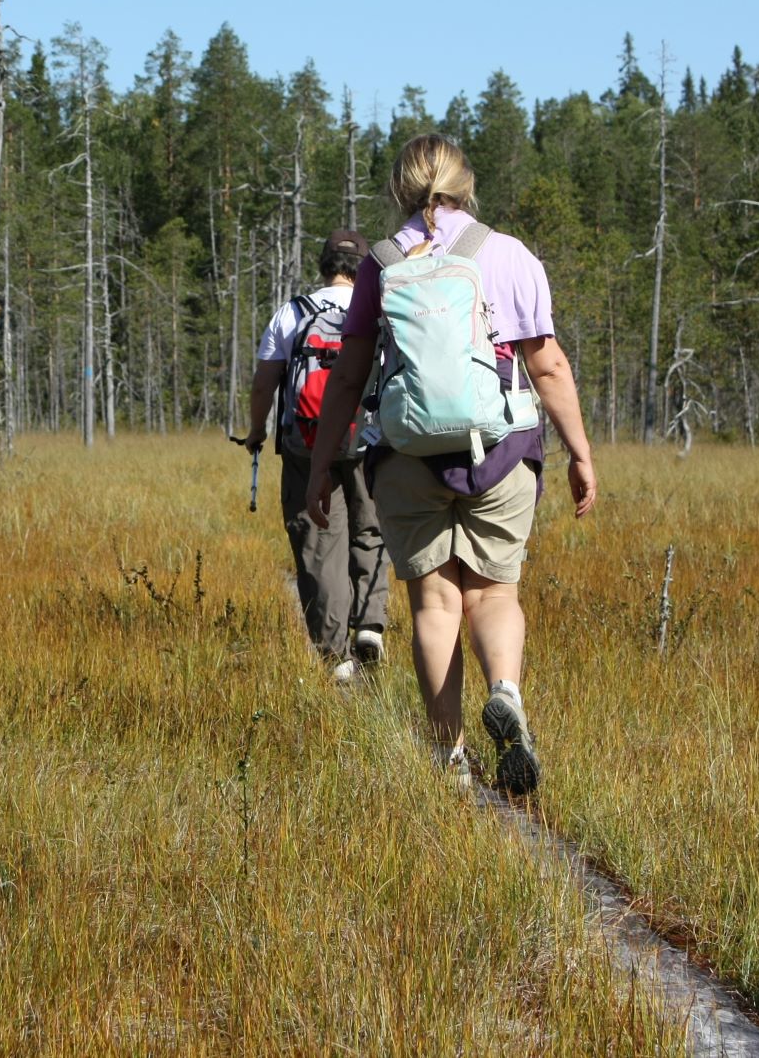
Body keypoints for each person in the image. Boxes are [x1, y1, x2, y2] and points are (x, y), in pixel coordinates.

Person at [302, 134, 597, 795]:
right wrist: (580, 452)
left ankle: (452, 761)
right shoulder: (510, 254)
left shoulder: (381, 261)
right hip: (502, 451)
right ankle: (507, 689)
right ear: (467, 185)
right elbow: (546, 364)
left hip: (407, 455)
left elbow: (349, 376)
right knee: (493, 592)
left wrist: (322, 467)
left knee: (435, 604)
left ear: (400, 188)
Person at [238, 228, 389, 681]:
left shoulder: (293, 312)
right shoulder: (379, 311)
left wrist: (256, 430)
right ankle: (371, 624)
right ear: (363, 271)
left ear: (324, 265)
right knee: (371, 530)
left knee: (319, 544)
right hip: (370, 439)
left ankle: (334, 653)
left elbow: (266, 381)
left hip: (304, 444)